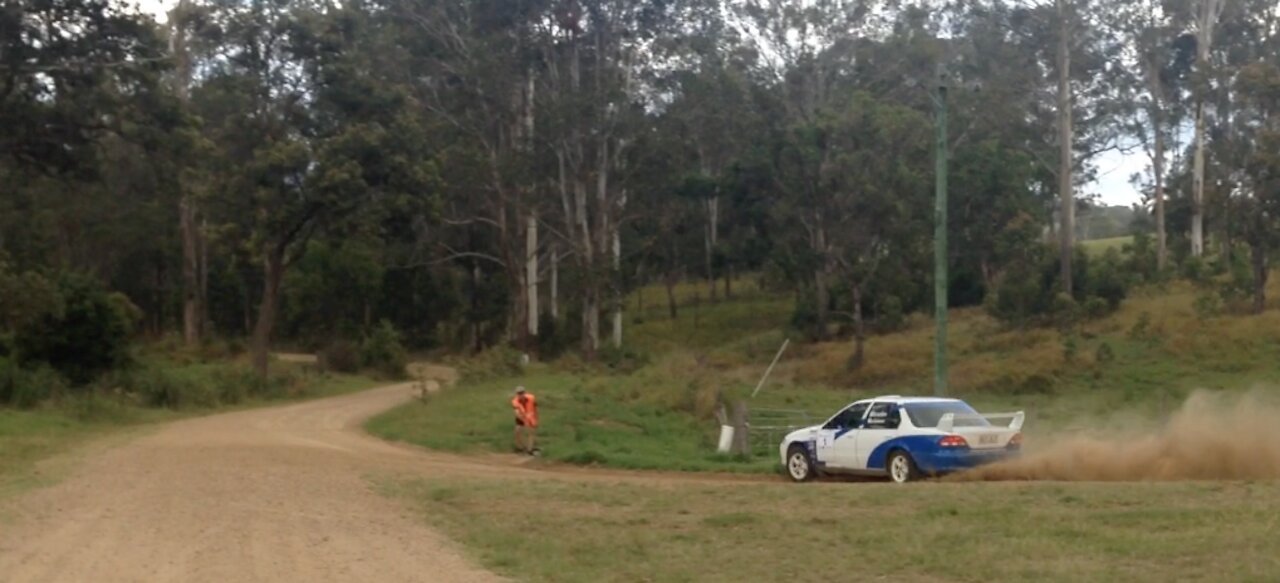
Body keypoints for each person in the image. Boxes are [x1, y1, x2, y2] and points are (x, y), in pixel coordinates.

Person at [511, 386, 539, 455]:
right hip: (521, 416)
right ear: (517, 394)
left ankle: (530, 449)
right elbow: (517, 413)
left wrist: (536, 418)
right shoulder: (515, 401)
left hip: (531, 416)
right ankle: (521, 447)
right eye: (519, 393)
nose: (521, 395)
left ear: (524, 392)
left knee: (530, 432)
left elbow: (536, 408)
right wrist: (523, 420)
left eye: (522, 393)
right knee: (517, 432)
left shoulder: (531, 398)